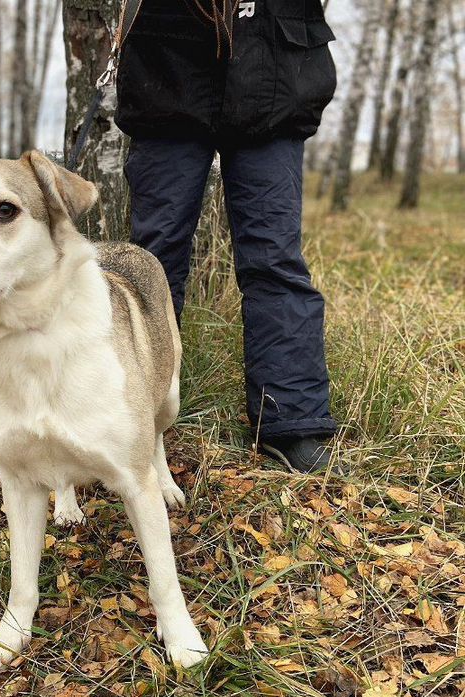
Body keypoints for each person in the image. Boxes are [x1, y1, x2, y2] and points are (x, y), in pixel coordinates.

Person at [115, 0, 340, 474]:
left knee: (275, 259)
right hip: (165, 66)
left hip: (275, 66)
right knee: (150, 263)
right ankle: (125, 413)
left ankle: (291, 423)